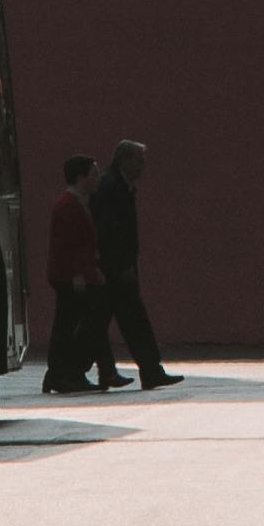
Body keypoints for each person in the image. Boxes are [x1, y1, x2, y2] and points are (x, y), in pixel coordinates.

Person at [93, 137, 174, 392]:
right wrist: (122, 264)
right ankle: (149, 371)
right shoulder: (112, 187)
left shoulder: (117, 185)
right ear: (124, 160)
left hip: (116, 268)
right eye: (139, 161)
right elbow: (110, 231)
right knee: (129, 321)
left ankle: (141, 370)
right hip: (116, 269)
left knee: (106, 322)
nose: (143, 167)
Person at [42, 159, 113, 397]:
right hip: (70, 276)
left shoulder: (78, 202)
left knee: (70, 323)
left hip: (77, 273)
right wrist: (77, 274)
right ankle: (66, 372)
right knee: (73, 324)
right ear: (81, 177)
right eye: (94, 173)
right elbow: (67, 245)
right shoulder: (68, 206)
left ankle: (64, 373)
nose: (98, 178)